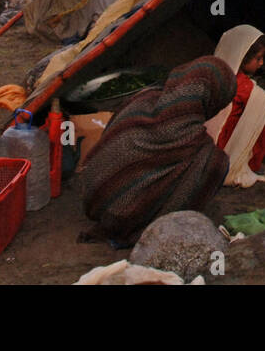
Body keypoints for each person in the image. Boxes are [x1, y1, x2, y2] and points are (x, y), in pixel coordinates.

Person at [81, 57, 235, 245]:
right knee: (215, 164)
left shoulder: (144, 98)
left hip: (92, 193)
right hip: (120, 219)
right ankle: (146, 225)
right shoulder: (200, 148)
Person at [205, 25, 265, 185]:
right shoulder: (242, 84)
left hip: (208, 140)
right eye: (258, 58)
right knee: (262, 114)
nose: (261, 63)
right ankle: (252, 162)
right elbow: (258, 99)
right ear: (242, 57)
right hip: (223, 144)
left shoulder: (219, 74)